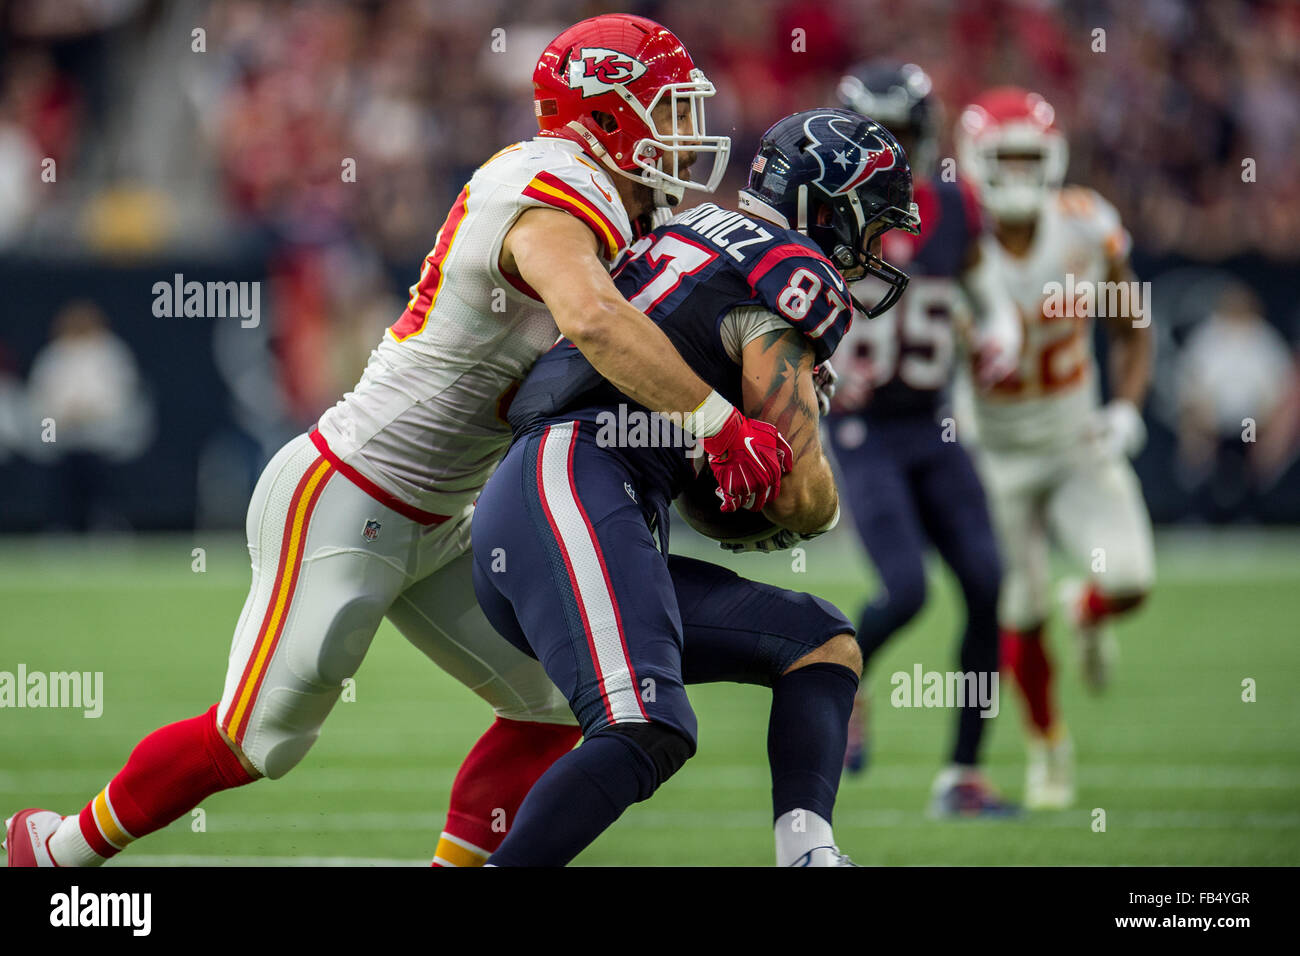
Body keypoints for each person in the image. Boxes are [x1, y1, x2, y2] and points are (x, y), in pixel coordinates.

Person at [4, 14, 790, 867]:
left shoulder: (617, 210)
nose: (687, 134)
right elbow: (596, 322)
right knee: (257, 738)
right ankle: (53, 850)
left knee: (554, 707)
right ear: (605, 116)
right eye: (668, 110)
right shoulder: (552, 182)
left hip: (448, 515)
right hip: (351, 492)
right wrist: (717, 423)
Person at [470, 107, 921, 865]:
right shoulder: (789, 274)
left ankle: (808, 854)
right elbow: (802, 500)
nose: (878, 249)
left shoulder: (689, 232)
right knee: (645, 726)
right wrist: (803, 477)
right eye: (874, 227)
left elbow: (704, 487)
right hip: (570, 484)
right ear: (830, 210)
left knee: (823, 644)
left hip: (568, 502)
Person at [953, 87, 1156, 809]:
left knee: (1130, 577)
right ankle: (1048, 748)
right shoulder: (952, 239)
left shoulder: (1085, 225)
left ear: (1054, 158)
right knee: (1018, 608)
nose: (1013, 174)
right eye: (1000, 160)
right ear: (973, 161)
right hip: (991, 450)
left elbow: (1132, 323)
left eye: (1025, 158)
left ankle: (1090, 608)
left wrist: (1126, 409)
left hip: (1073, 438)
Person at [830, 62, 1021, 816]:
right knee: (904, 590)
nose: (893, 152)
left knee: (985, 581)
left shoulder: (953, 207)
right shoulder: (824, 213)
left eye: (903, 136)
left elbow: (988, 295)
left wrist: (1001, 336)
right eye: (879, 136)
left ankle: (963, 776)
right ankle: (839, 678)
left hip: (935, 425)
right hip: (862, 429)